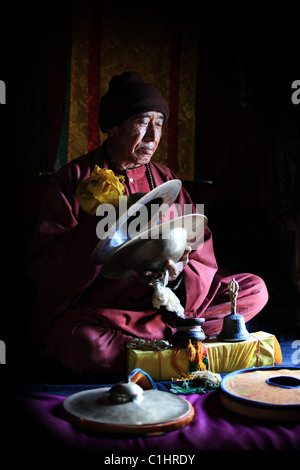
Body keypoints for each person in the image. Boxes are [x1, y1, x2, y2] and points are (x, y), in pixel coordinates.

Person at [28, 71, 268, 376]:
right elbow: (46, 265)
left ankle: (154, 355)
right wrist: (101, 227)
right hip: (112, 314)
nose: (153, 138)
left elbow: (200, 245)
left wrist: (180, 276)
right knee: (85, 345)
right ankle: (185, 352)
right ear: (113, 127)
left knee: (253, 289)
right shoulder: (75, 179)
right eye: (142, 123)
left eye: (159, 125)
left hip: (170, 307)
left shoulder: (165, 179)